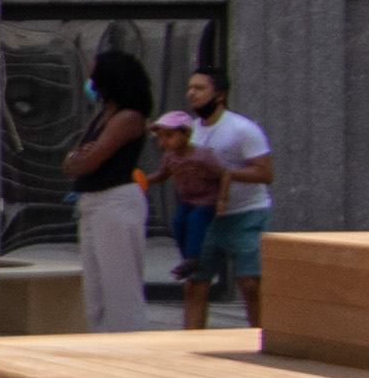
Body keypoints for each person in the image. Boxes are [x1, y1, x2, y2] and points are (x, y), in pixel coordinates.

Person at [169, 65, 276, 327]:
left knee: (250, 284)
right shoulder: (190, 131)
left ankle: (260, 341)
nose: (191, 94)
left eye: (200, 88)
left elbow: (265, 173)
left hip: (245, 214)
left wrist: (226, 174)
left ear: (220, 95)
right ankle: (191, 348)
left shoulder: (242, 129)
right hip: (203, 216)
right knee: (195, 285)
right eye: (190, 88)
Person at [63, 47, 160, 330]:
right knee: (94, 289)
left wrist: (80, 158)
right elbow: (70, 162)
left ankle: (129, 344)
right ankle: (99, 342)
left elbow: (89, 161)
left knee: (120, 286)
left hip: (115, 202)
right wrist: (78, 158)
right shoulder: (103, 115)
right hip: (92, 203)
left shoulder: (129, 118)